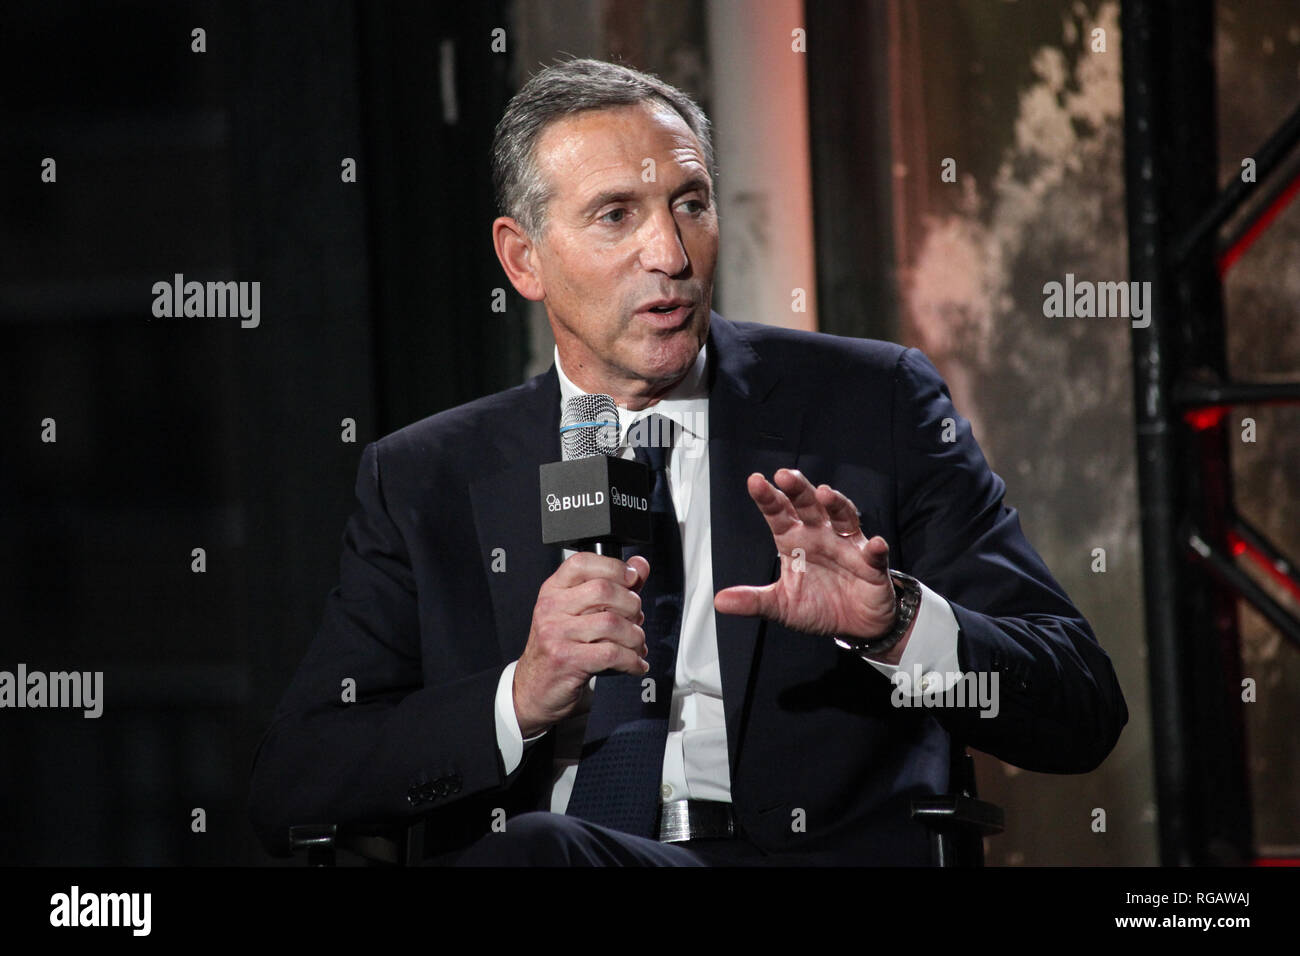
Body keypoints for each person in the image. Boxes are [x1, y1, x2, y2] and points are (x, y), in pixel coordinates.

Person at [248, 57, 1127, 866]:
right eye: (616, 216)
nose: (669, 256)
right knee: (546, 851)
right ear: (524, 259)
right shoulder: (424, 476)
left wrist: (895, 624)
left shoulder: (872, 406)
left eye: (691, 203)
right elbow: (302, 775)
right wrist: (520, 694)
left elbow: (1082, 709)